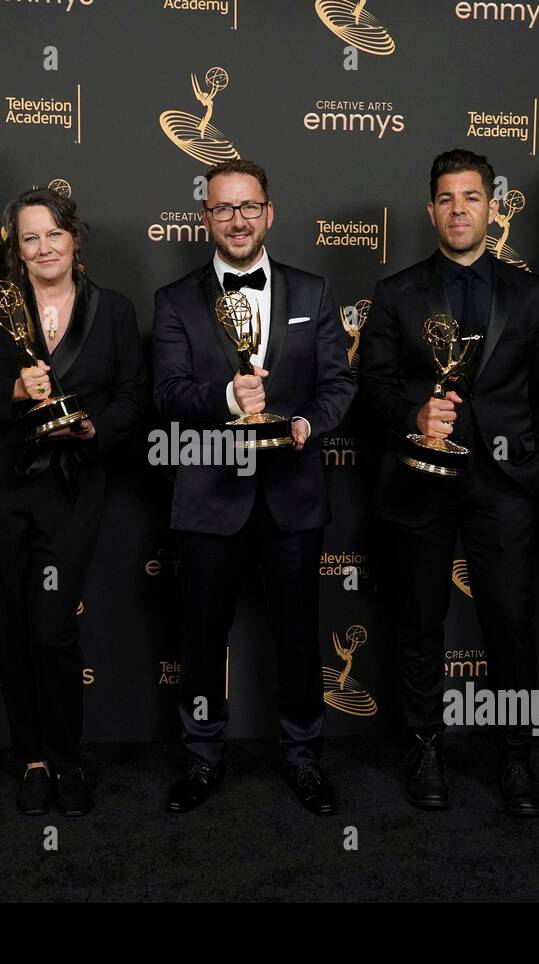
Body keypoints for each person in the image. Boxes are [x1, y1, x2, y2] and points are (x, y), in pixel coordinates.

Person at [358, 148, 539, 817]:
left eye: (472, 196)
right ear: (431, 210)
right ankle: (424, 749)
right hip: (420, 477)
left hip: (505, 483)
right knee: (420, 621)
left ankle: (515, 758)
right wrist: (414, 416)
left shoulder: (530, 291)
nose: (459, 209)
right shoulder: (396, 293)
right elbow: (374, 386)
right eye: (447, 198)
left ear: (493, 206)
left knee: (509, 621)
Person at [151, 159, 356, 815]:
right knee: (202, 639)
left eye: (249, 207)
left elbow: (338, 386)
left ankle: (302, 758)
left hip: (292, 492)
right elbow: (166, 393)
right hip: (209, 495)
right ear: (204, 217)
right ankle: (203, 757)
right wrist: (223, 397)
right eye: (222, 208)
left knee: (299, 636)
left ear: (270, 213)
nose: (237, 219)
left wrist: (303, 422)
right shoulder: (176, 300)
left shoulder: (314, 292)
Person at [0, 188, 145, 816]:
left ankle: (66, 758)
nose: (43, 248)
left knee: (53, 630)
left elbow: (131, 398)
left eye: (54, 235)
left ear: (75, 237)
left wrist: (92, 429)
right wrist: (11, 388)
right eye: (30, 238)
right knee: (9, 626)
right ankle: (31, 759)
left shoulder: (113, 311)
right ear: (17, 247)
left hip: (71, 486)